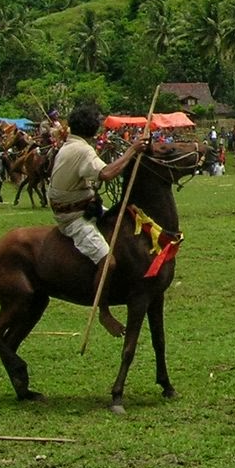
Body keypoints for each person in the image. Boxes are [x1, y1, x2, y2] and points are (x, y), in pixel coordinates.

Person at [47, 102, 146, 339]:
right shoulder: (82, 150)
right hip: (73, 217)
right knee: (109, 261)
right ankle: (104, 312)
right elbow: (107, 174)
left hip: (85, 205)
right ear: (93, 128)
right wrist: (132, 150)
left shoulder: (73, 144)